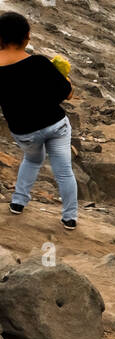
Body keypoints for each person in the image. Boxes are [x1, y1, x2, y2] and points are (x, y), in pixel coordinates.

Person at [0, 12, 78, 229]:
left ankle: (18, 202)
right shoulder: (39, 63)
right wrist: (64, 77)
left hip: (24, 132)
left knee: (33, 160)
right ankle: (69, 218)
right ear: (27, 37)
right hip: (55, 125)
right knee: (64, 171)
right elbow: (67, 94)